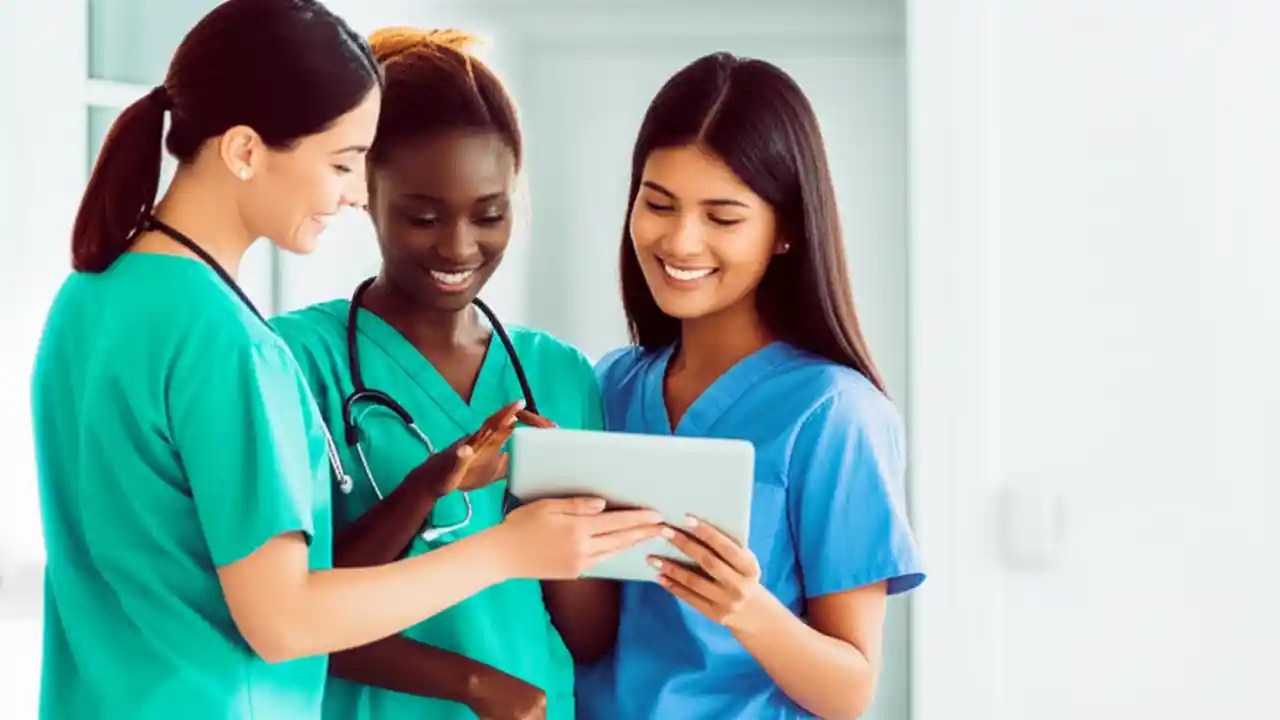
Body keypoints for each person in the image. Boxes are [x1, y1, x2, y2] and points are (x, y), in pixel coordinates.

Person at [30, 3, 651, 718]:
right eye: (342, 162)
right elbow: (284, 620)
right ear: (244, 150)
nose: (354, 192)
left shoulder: (90, 295)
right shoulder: (234, 345)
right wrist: (505, 551)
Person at [268, 28, 657, 720]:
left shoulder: (557, 373)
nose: (457, 246)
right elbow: (286, 613)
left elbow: (591, 636)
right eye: (423, 216)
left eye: (489, 215)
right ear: (365, 190)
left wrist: (551, 501)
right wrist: (424, 488)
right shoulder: (296, 360)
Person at [570, 53, 927, 719]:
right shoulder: (610, 385)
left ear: (785, 229)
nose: (681, 241)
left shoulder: (836, 414)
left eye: (723, 217)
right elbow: (589, 634)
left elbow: (850, 693)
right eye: (658, 204)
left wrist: (746, 608)